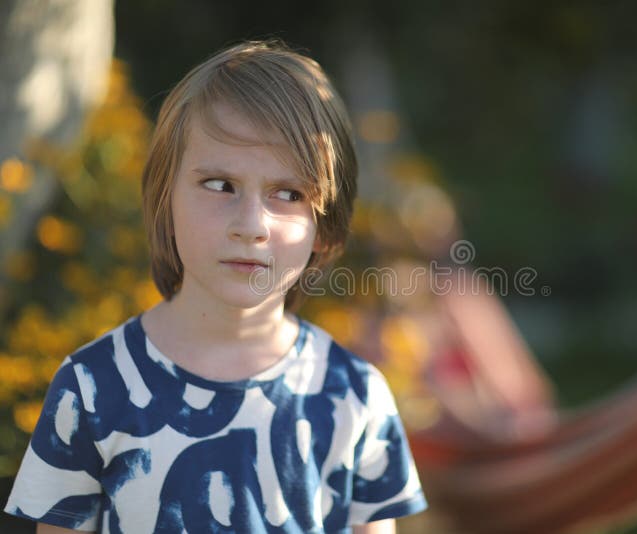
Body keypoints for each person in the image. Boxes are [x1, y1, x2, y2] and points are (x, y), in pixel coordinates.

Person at [4, 40, 427, 533]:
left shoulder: (355, 397)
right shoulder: (91, 388)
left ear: (326, 228)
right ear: (165, 198)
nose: (251, 224)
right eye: (220, 184)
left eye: (288, 194)